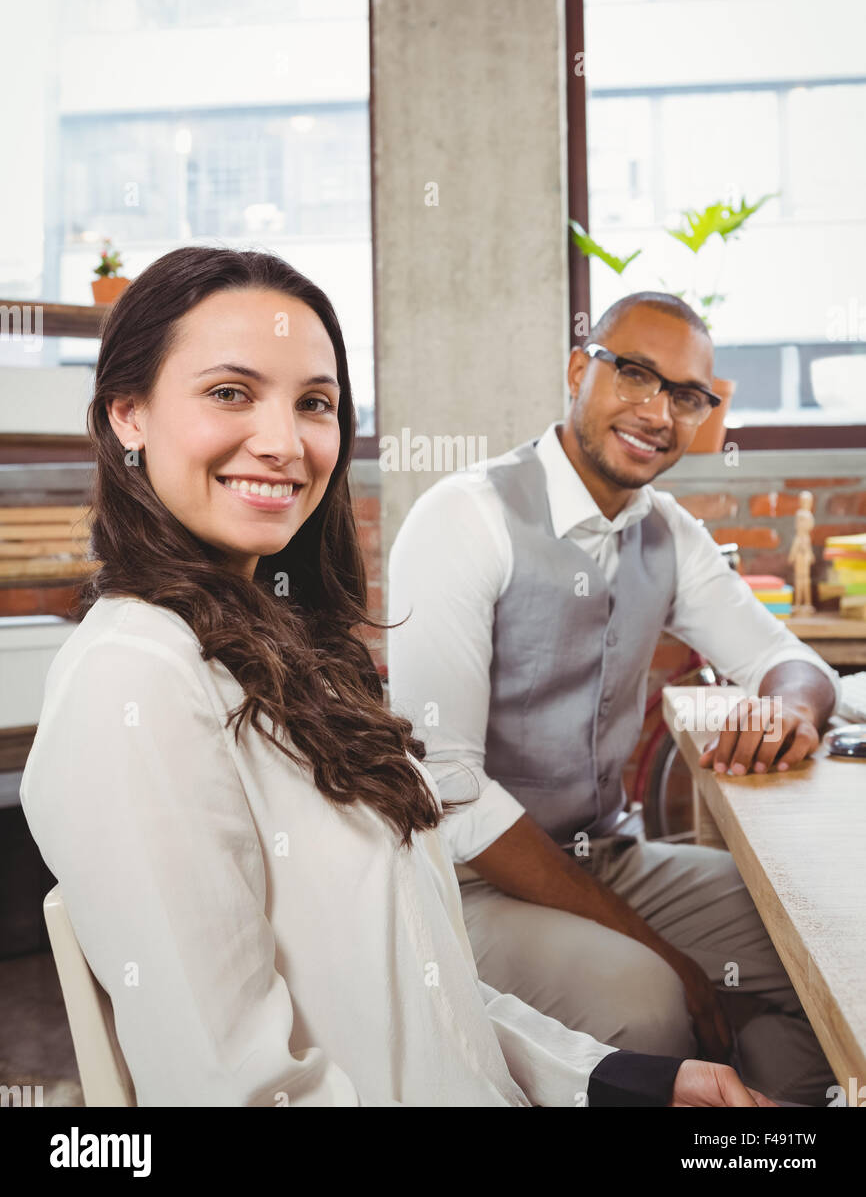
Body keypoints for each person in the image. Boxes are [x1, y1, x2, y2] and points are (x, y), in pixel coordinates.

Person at [21, 254, 770, 1109]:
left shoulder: (288, 650)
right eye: (230, 392)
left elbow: (428, 1002)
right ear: (129, 414)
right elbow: (237, 1091)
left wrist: (618, 1081)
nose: (283, 441)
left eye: (314, 404)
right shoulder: (136, 685)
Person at [387, 290, 841, 1107]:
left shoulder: (667, 532)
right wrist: (670, 956)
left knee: (832, 938)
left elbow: (788, 661)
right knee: (648, 1002)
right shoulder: (464, 517)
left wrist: (793, 709)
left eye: (687, 395)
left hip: (608, 857)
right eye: (634, 374)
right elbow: (447, 790)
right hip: (469, 887)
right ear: (577, 370)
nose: (657, 411)